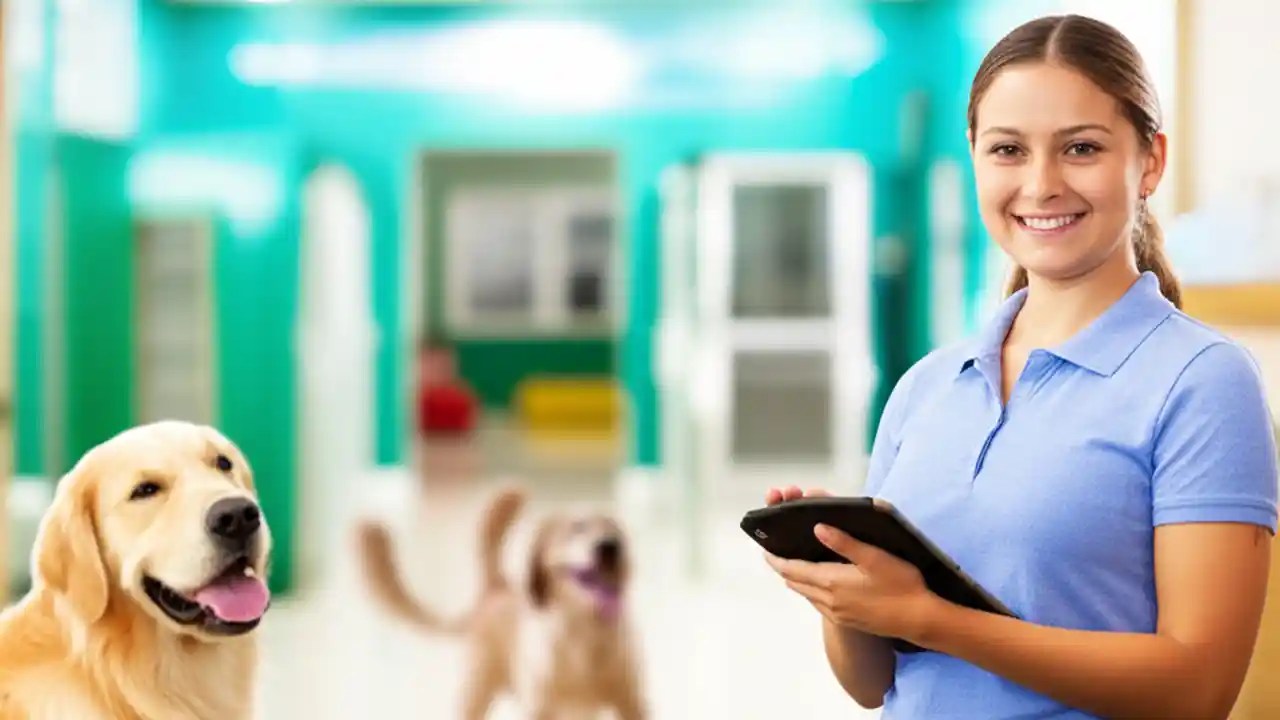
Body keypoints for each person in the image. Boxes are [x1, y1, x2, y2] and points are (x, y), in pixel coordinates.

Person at [763, 14, 1279, 719]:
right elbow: (872, 684)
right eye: (1008, 150)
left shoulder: (1203, 382)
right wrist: (845, 588)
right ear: (975, 157)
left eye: (1081, 148)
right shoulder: (927, 386)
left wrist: (932, 619)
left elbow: (1197, 691)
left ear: (1150, 161)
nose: (1041, 185)